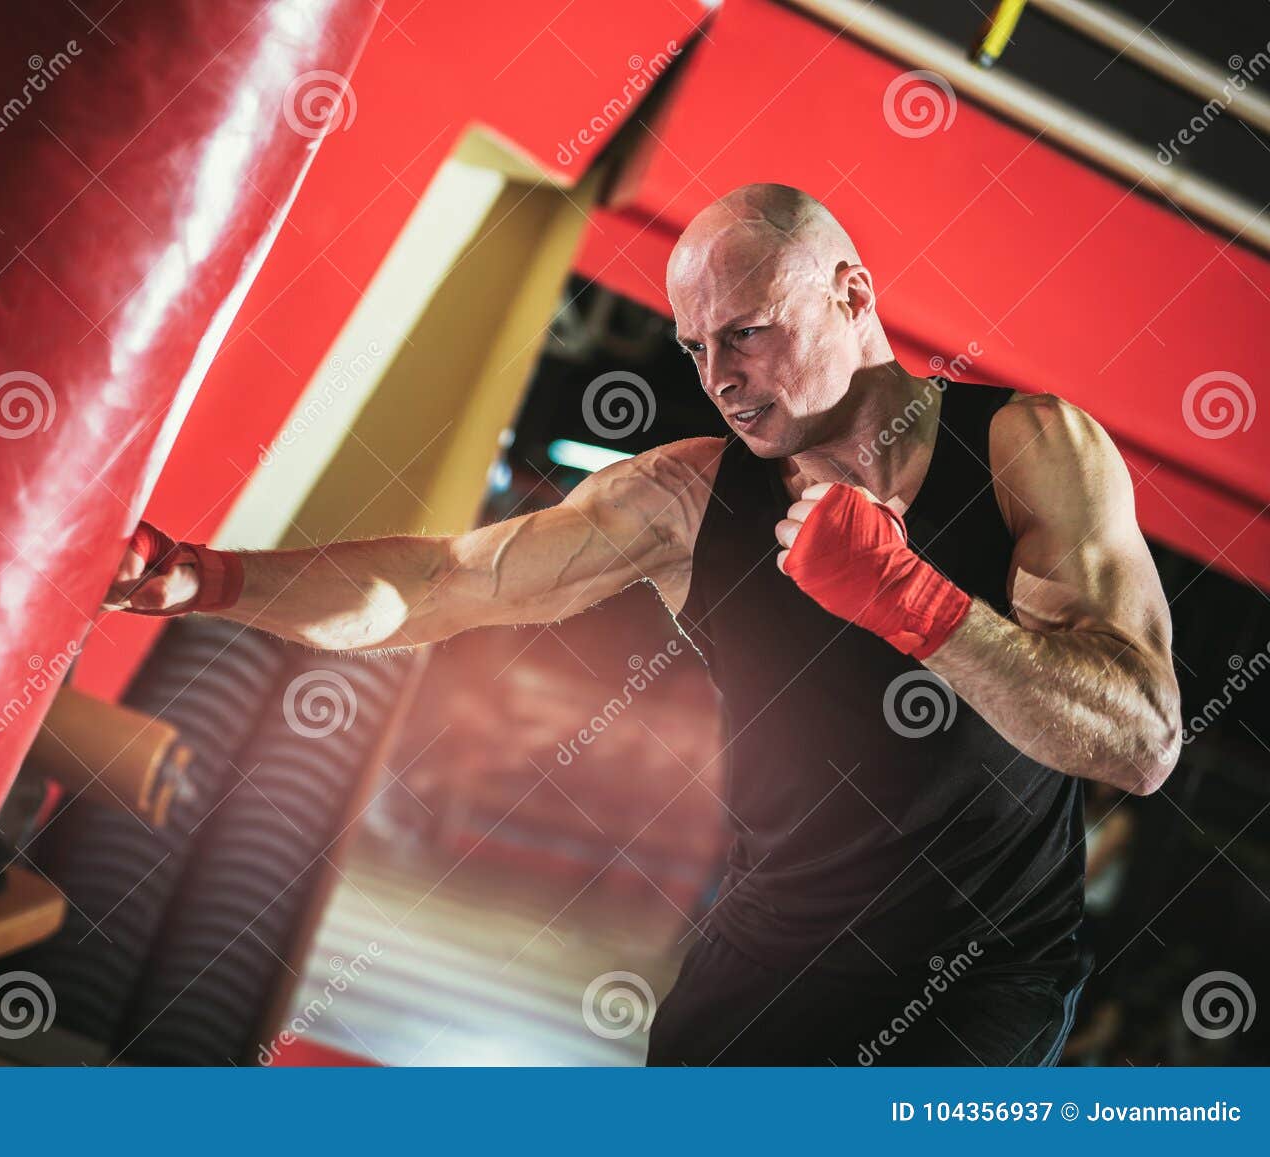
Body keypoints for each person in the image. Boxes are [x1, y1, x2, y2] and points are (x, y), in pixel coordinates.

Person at [101, 183, 1182, 1066]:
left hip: (978, 983)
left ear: (852, 291)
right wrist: (210, 579)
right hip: (761, 958)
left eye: (746, 333)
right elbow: (443, 582)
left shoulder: (1026, 450)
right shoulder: (685, 500)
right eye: (698, 346)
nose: (719, 378)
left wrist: (916, 602)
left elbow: (1139, 741)